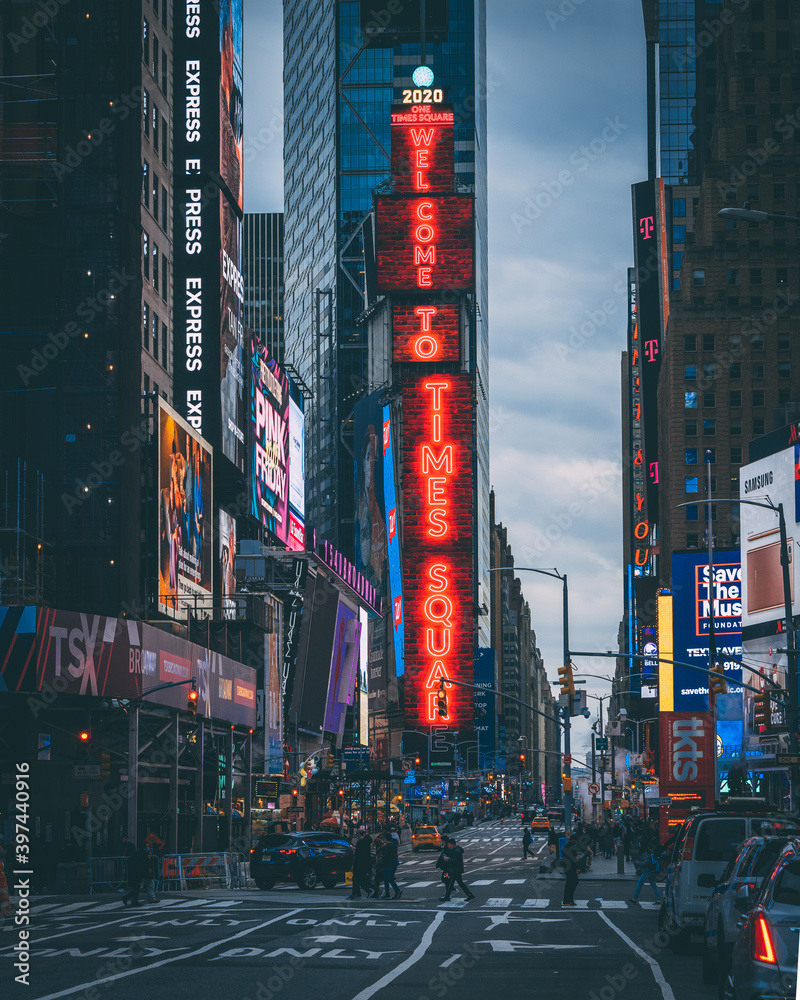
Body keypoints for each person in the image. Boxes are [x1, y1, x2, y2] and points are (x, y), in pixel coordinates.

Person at [440, 838, 475, 902]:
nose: (448, 846)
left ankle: (447, 896)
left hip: (455, 870)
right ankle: (470, 895)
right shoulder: (456, 850)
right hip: (457, 869)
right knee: (460, 883)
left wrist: (448, 859)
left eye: (449, 844)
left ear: (452, 844)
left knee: (450, 883)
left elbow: (455, 860)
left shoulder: (456, 851)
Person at [349, 829, 373, 900]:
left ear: (359, 834)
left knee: (359, 879)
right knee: (357, 879)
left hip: (360, 864)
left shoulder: (361, 842)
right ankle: (356, 893)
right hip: (364, 863)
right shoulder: (366, 842)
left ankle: (371, 890)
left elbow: (360, 854)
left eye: (357, 835)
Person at [561, 832, 584, 907]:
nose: (577, 842)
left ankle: (568, 899)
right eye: (576, 840)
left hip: (568, 868)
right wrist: (577, 867)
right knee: (572, 883)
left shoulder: (566, 847)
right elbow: (572, 859)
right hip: (570, 868)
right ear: (573, 840)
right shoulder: (570, 848)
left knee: (570, 883)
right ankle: (568, 899)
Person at [121, 843, 143, 907]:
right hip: (135, 875)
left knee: (136, 889)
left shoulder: (129, 856)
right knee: (136, 889)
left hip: (131, 875)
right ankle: (127, 898)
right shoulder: (134, 855)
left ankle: (134, 900)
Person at [381, 834, 402, 899]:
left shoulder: (386, 847)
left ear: (385, 839)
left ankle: (392, 892)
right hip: (394, 864)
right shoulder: (394, 846)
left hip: (387, 865)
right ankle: (395, 891)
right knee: (390, 879)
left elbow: (385, 857)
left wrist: (382, 863)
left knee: (387, 880)